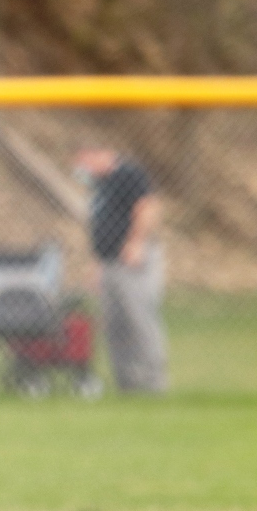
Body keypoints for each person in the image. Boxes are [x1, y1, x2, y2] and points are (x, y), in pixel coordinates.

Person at [73, 147, 166, 393]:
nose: (82, 169)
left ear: (102, 154)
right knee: (114, 324)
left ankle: (153, 382)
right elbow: (101, 226)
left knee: (139, 319)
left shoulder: (128, 175)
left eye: (85, 162)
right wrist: (97, 264)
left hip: (130, 261)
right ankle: (128, 383)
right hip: (108, 264)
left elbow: (147, 207)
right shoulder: (101, 185)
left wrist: (136, 242)